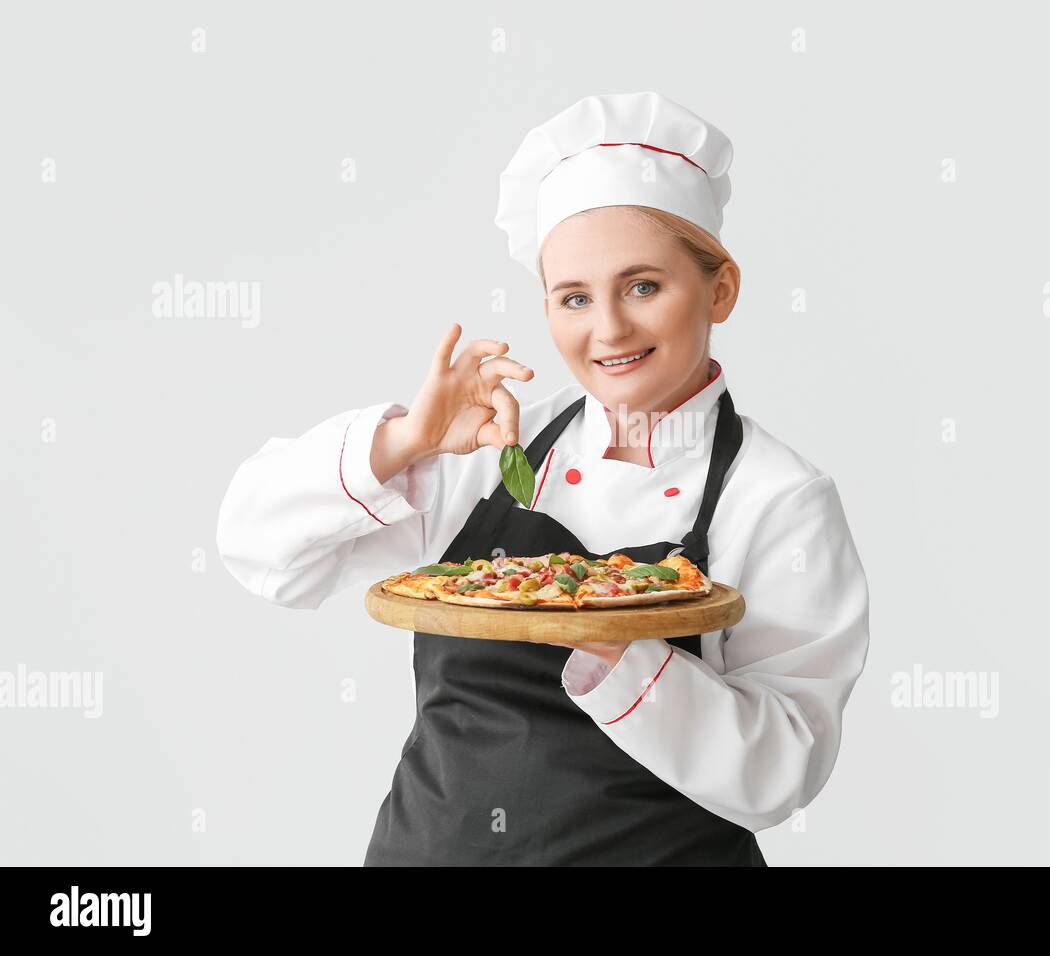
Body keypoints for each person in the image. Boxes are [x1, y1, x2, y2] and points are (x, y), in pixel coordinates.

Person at [216, 91, 871, 866]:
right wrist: (403, 441)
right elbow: (257, 547)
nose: (609, 330)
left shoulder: (777, 497)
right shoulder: (494, 447)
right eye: (574, 298)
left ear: (720, 289)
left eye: (643, 287)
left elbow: (782, 768)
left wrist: (609, 634)